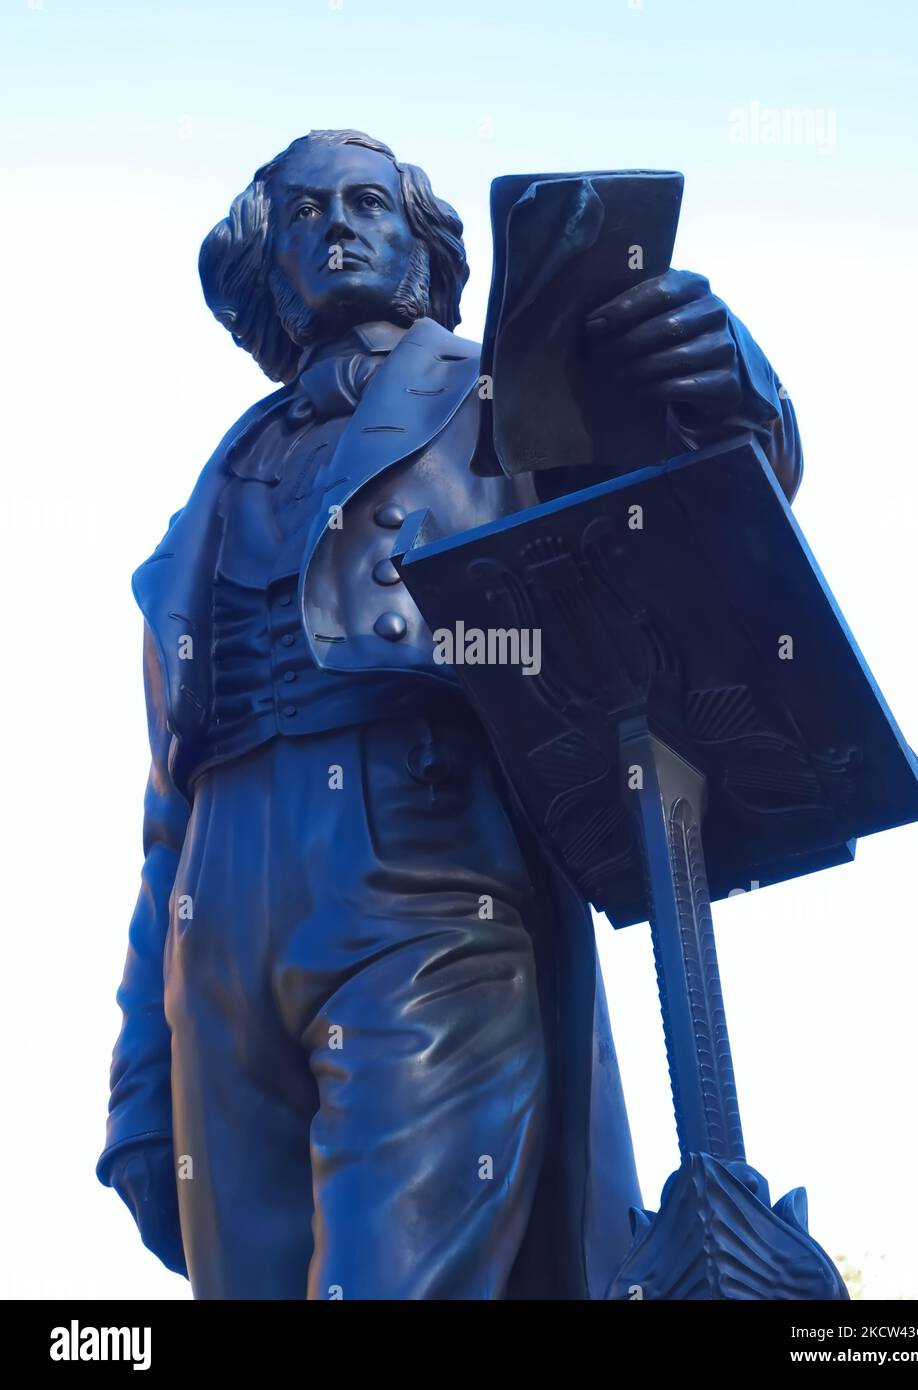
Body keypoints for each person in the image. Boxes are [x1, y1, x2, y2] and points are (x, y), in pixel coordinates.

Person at [95, 129, 802, 1299]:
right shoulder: (213, 487)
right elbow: (166, 810)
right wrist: (139, 1068)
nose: (339, 223)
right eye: (307, 211)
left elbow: (695, 511)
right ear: (268, 271)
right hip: (213, 919)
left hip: (426, 870)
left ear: (422, 247)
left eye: (369, 200)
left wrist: (733, 377)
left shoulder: (503, 398)